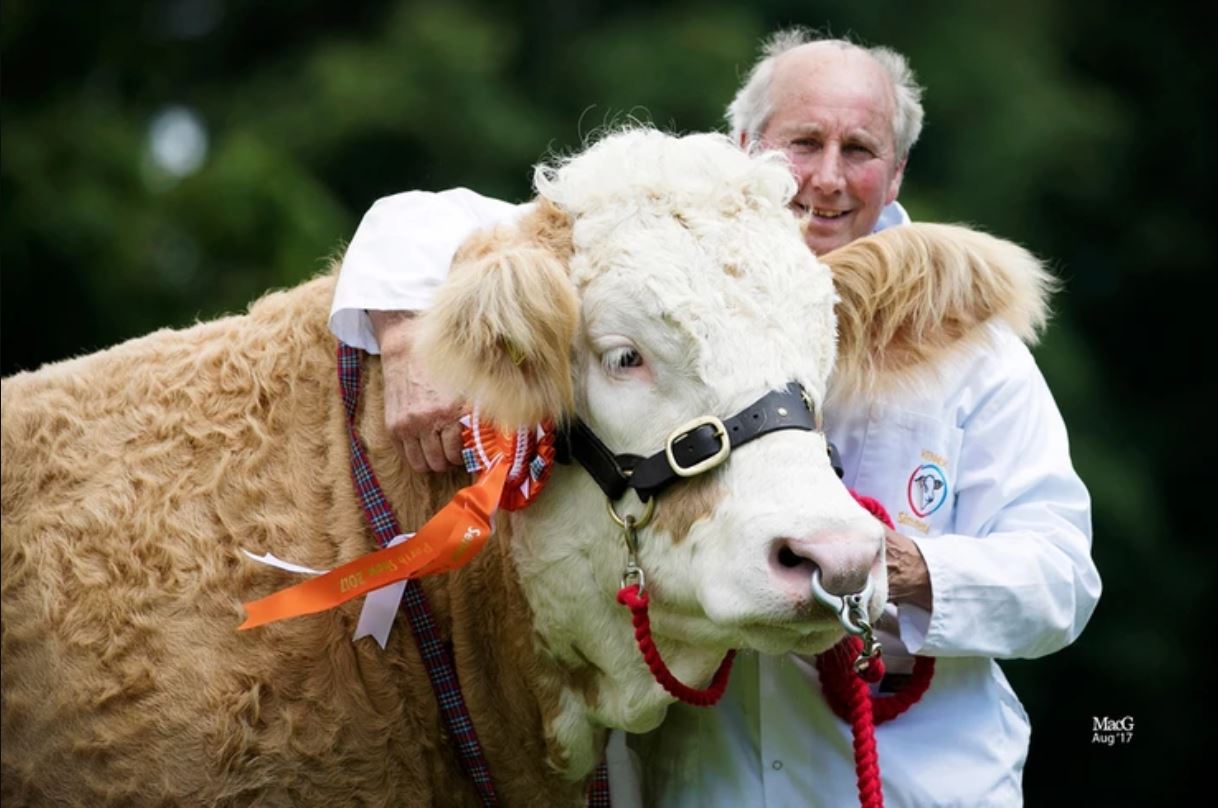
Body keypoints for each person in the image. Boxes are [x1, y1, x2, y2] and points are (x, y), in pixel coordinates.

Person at [328, 28, 1100, 807]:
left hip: (920, 789)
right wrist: (407, 336)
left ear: (896, 171)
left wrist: (904, 569)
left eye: (860, 149)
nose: (828, 178)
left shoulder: (965, 348)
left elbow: (1063, 578)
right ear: (745, 148)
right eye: (804, 143)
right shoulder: (660, 273)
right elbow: (418, 221)